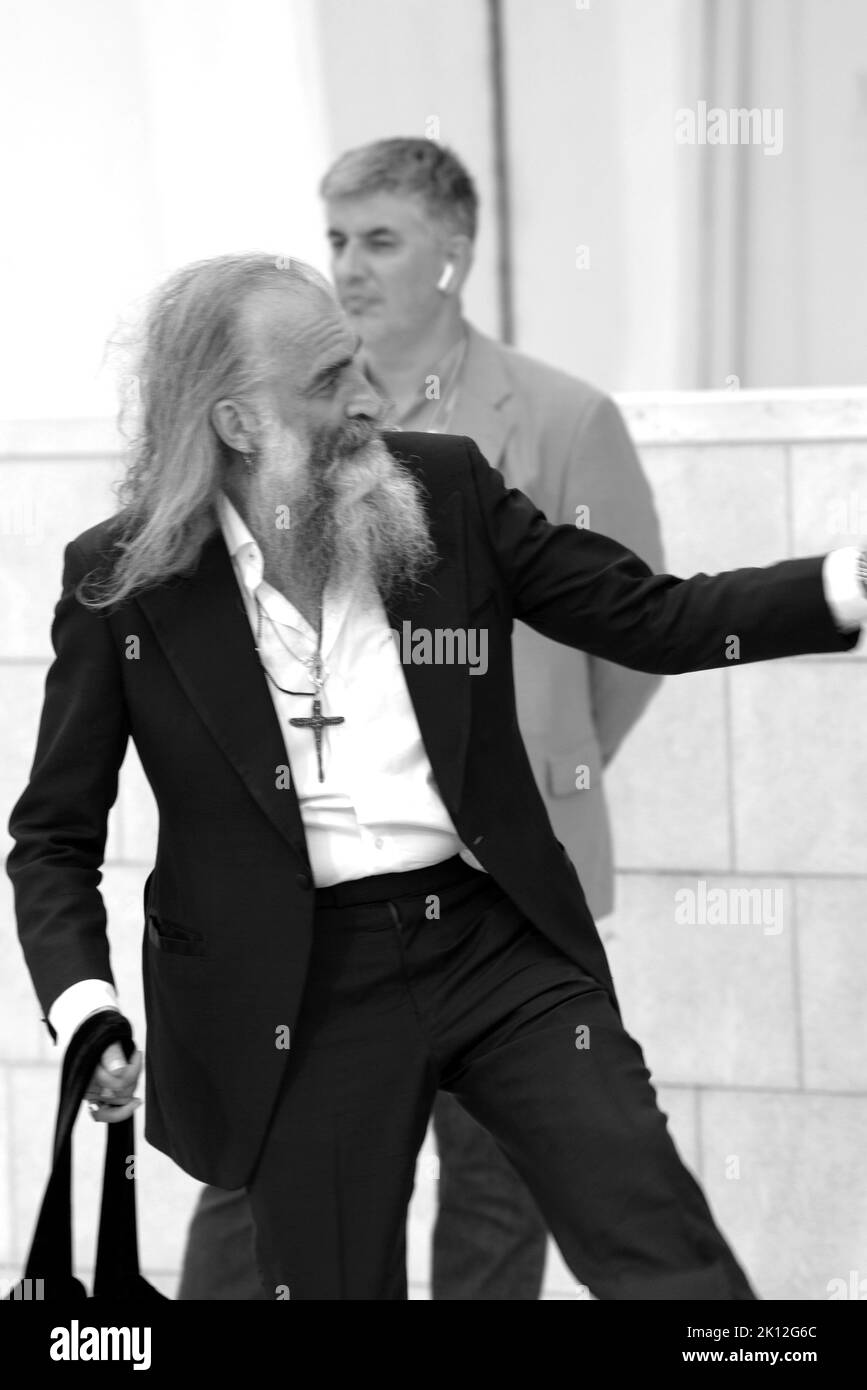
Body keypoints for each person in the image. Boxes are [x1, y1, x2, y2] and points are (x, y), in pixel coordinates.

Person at [8, 253, 866, 1302]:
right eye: (327, 383)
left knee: (662, 1251)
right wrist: (82, 1003)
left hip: (494, 944)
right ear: (237, 423)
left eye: (359, 366)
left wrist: (846, 582)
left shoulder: (445, 491)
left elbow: (654, 616)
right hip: (298, 986)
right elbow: (54, 836)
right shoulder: (124, 580)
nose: (368, 399)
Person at [179, 137, 666, 1302]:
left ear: (454, 253)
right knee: (261, 1170)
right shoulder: (269, 418)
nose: (347, 264)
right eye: (336, 237)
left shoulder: (559, 415)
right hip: (316, 897)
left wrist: (541, 769)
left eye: (380, 239)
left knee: (498, 1182)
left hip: (504, 883)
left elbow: (635, 623)